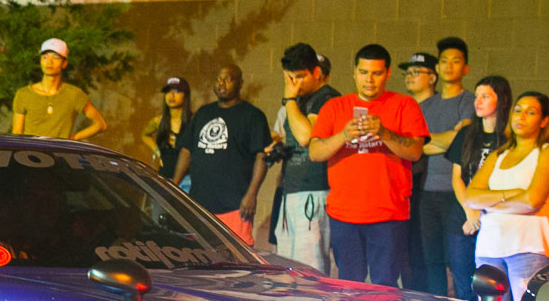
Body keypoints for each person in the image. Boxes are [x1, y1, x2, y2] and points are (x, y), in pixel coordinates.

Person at [308, 44, 428, 285]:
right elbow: (315, 152)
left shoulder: (404, 105)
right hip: (344, 215)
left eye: (376, 73)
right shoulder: (335, 107)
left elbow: (415, 151)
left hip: (388, 214)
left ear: (388, 73)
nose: (369, 80)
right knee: (348, 285)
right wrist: (344, 135)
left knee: (385, 286)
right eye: (363, 72)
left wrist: (383, 132)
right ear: (354, 72)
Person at [461, 91, 549, 301]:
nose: (521, 116)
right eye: (518, 110)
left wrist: (489, 202)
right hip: (489, 248)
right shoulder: (498, 155)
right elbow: (470, 197)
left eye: (531, 112)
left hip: (528, 248)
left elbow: (531, 201)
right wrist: (511, 193)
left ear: (544, 120)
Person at [175, 64, 270, 245]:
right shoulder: (203, 113)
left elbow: (261, 157)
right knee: (198, 255)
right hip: (199, 206)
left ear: (240, 83)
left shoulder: (252, 116)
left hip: (235, 206)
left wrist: (251, 194)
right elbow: (187, 150)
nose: (222, 84)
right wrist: (174, 184)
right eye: (218, 79)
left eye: (228, 79)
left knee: (235, 260)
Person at [413, 37, 476, 296]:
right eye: (444, 61)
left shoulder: (470, 101)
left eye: (456, 61)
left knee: (460, 262)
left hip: (456, 192)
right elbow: (417, 147)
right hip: (427, 192)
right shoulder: (425, 106)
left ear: (466, 68)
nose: (449, 66)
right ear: (437, 68)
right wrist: (450, 137)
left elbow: (463, 140)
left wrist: (434, 140)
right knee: (432, 259)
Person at [269, 43, 337, 272]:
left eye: (300, 77)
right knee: (287, 266)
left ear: (317, 73)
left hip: (314, 189)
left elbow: (305, 136)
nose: (294, 84)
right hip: (291, 188)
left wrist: (289, 100)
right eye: (289, 78)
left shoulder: (326, 97)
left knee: (310, 266)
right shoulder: (298, 99)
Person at [450, 74, 513, 254]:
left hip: (495, 216)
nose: (478, 101)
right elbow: (457, 178)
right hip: (464, 213)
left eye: (485, 96)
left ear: (502, 100)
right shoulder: (466, 133)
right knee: (462, 276)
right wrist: (470, 211)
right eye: (477, 96)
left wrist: (481, 214)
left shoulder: (510, 138)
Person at [11, 38, 106, 139]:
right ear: (40, 61)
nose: (49, 62)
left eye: (56, 57)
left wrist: (73, 139)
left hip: (59, 154)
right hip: (28, 153)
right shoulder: (24, 94)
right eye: (45, 57)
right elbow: (16, 135)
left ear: (64, 63)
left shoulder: (74, 94)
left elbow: (101, 124)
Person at [398, 50, 438, 288]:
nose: (409, 76)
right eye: (408, 72)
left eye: (416, 72)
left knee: (426, 254)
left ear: (432, 77)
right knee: (407, 254)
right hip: (406, 187)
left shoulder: (439, 105)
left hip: (431, 188)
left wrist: (417, 145)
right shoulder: (403, 105)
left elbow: (453, 141)